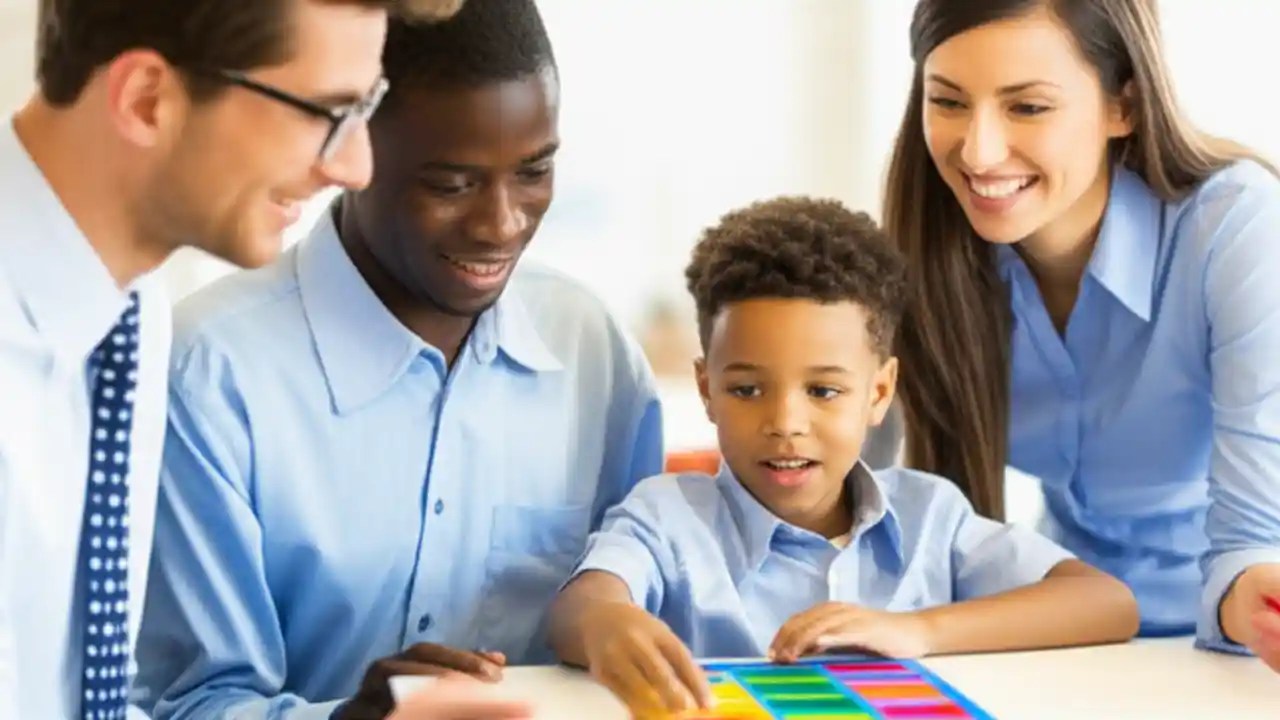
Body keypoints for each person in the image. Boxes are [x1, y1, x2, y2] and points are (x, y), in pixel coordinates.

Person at [132, 1, 664, 718]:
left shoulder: (593, 352)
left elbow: (653, 615)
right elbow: (183, 704)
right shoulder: (208, 374)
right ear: (351, 155)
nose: (501, 223)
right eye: (451, 185)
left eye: (534, 171)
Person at [547, 196, 1140, 717]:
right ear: (707, 390)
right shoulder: (668, 516)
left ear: (878, 393)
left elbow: (1106, 604)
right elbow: (581, 606)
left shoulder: (930, 516)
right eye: (746, 390)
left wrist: (918, 631)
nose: (785, 423)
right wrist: (605, 623)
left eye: (823, 391)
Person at [0, 0, 392, 717]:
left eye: (368, 107)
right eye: (327, 112)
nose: (355, 166)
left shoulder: (129, 314)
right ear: (147, 100)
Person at [880, 0, 1280, 671]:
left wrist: (1258, 601)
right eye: (948, 101)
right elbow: (847, 490)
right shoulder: (927, 252)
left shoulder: (1238, 227)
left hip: (1222, 644)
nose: (977, 151)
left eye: (1027, 107)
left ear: (1125, 103)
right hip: (1060, 634)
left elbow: (1254, 539)